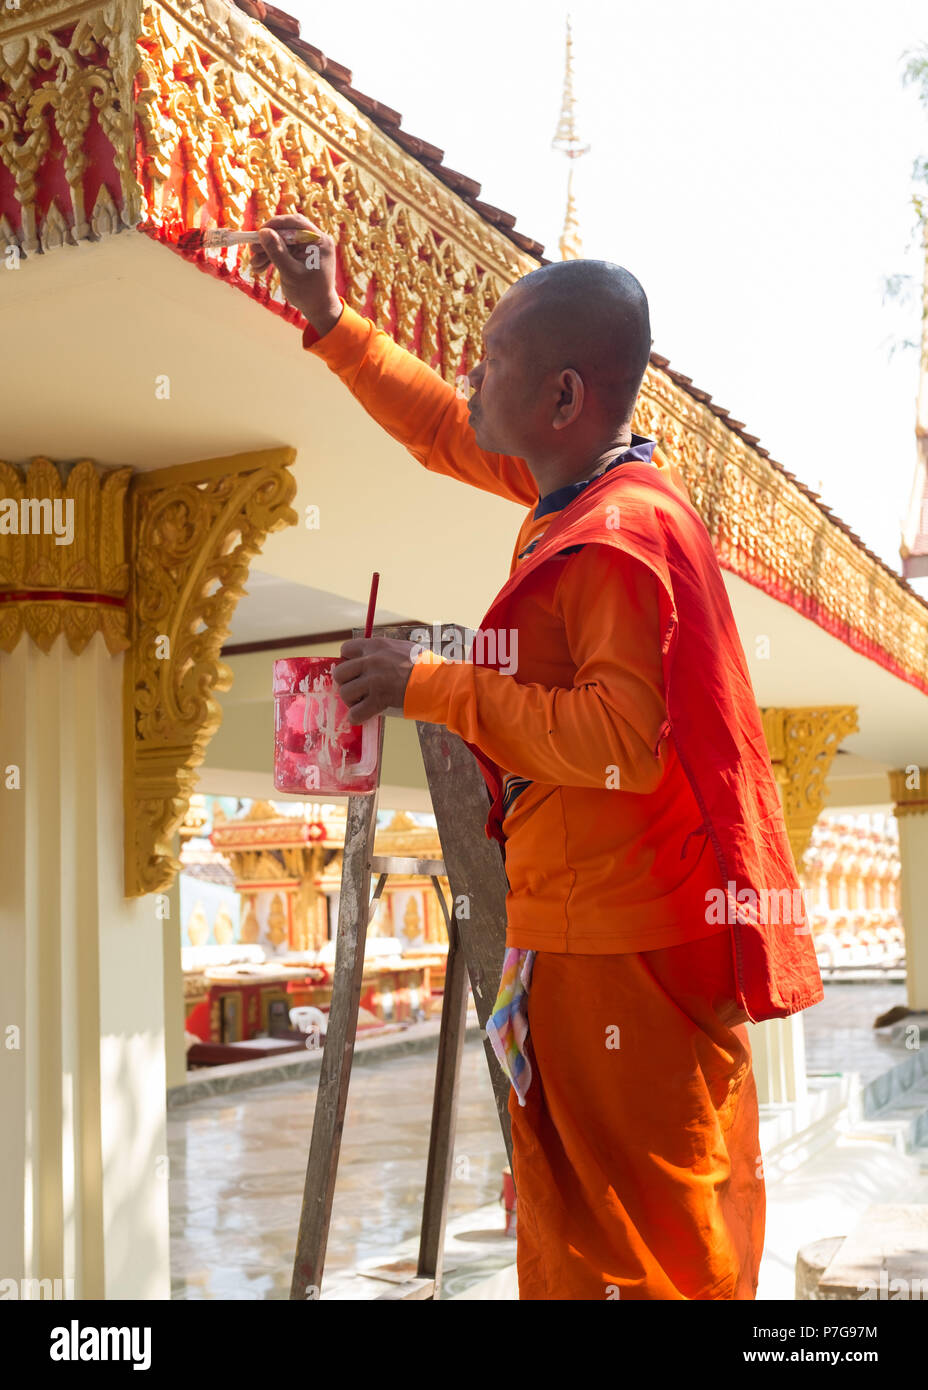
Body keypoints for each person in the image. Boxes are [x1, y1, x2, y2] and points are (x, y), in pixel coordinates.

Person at [252, 215, 824, 1300]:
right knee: (582, 1234)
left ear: (562, 399)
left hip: (625, 943)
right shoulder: (570, 497)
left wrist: (429, 680)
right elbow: (438, 424)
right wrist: (329, 322)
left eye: (495, 359)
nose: (472, 373)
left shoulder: (617, 538)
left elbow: (618, 744)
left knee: (647, 1253)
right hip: (581, 928)